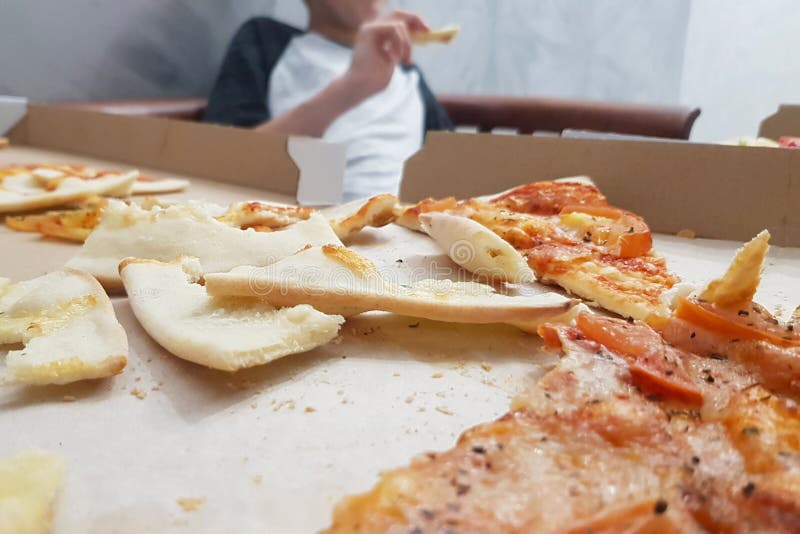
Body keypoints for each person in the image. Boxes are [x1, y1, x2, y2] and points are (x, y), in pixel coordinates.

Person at [205, 1, 453, 201]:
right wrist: (351, 88)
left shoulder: (407, 72)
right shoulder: (266, 39)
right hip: (306, 232)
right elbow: (219, 163)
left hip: (410, 234)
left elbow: (455, 167)